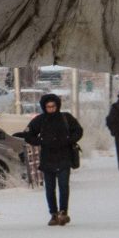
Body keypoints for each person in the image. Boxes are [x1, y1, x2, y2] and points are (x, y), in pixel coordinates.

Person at [21, 92, 83, 226]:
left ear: (57, 106)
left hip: (64, 157)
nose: (51, 109)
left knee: (63, 186)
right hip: (47, 159)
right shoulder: (40, 120)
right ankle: (53, 214)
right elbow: (28, 134)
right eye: (48, 107)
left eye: (53, 106)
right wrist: (40, 141)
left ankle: (63, 212)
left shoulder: (66, 118)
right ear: (44, 107)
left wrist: (69, 140)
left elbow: (78, 130)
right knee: (49, 188)